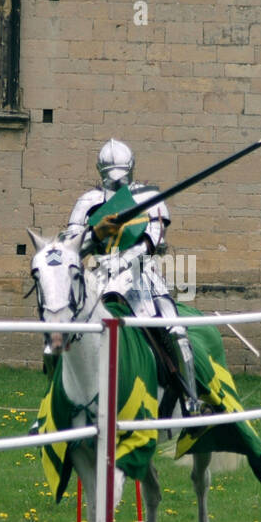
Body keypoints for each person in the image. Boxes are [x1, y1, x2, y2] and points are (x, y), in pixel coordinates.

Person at [67, 138, 204, 415]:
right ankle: (56, 403)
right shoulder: (88, 203)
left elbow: (156, 239)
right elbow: (71, 246)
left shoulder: (146, 197)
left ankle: (191, 400)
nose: (116, 181)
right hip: (99, 276)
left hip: (142, 276)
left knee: (175, 330)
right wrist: (95, 235)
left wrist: (125, 259)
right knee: (64, 330)